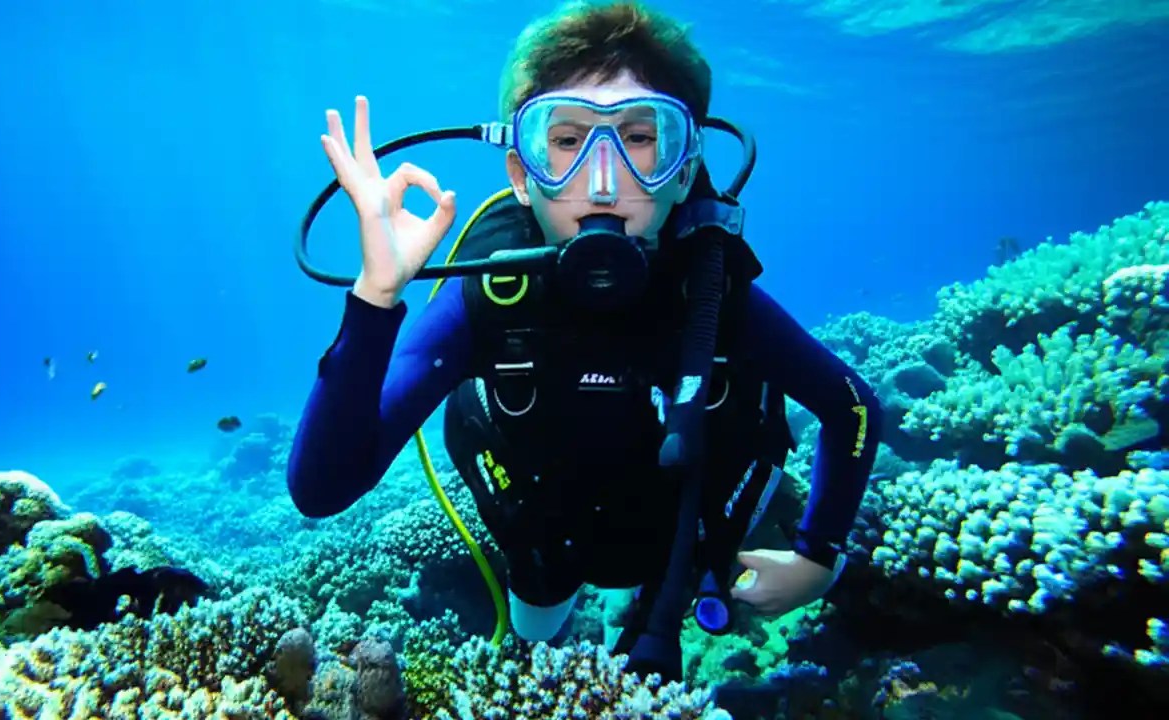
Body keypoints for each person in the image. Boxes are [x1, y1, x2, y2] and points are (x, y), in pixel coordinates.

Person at [287, 0, 882, 683]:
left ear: (685, 168)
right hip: (547, 532)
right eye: (565, 141)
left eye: (638, 138)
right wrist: (375, 298)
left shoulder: (712, 293)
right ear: (521, 174)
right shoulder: (490, 293)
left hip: (685, 534)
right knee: (538, 625)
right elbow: (321, 489)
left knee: (673, 604)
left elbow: (852, 406)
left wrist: (818, 557)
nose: (602, 180)